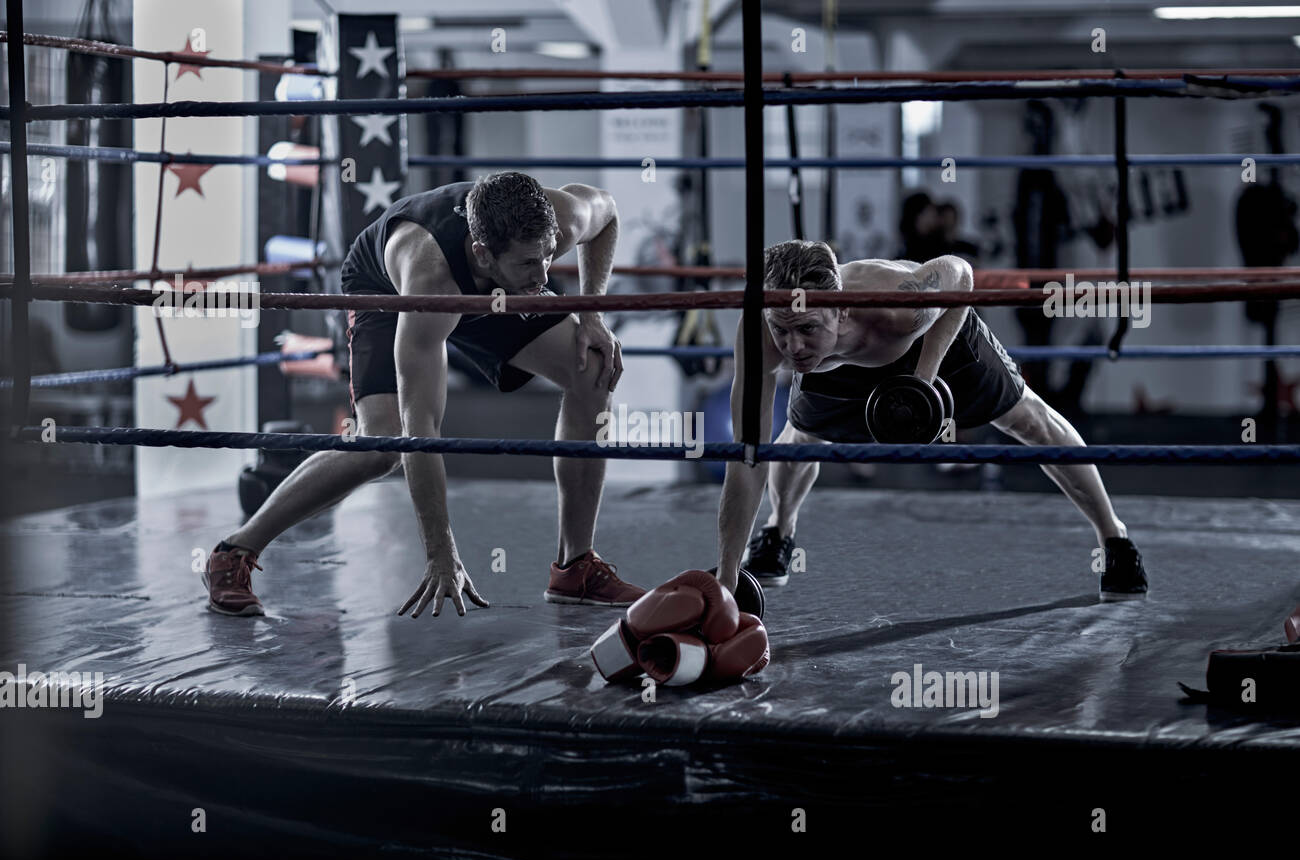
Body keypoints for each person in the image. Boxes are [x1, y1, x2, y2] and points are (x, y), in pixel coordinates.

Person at [203, 172, 646, 617]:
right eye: (531, 264)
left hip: (492, 286)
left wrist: (591, 313)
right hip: (385, 285)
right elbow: (421, 429)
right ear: (483, 253)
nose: (545, 275)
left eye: (548, 257)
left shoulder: (558, 222)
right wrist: (440, 553)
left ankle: (575, 568)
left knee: (592, 367)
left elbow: (606, 214)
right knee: (381, 447)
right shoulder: (429, 281)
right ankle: (235, 552)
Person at [715, 239, 1148, 602]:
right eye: (782, 330)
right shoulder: (766, 329)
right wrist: (727, 582)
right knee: (800, 434)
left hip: (933, 339)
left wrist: (924, 378)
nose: (792, 345)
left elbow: (960, 273)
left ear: (842, 310)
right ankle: (779, 530)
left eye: (807, 328)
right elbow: (746, 456)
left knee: (1028, 419)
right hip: (835, 366)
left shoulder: (897, 303)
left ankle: (1114, 537)